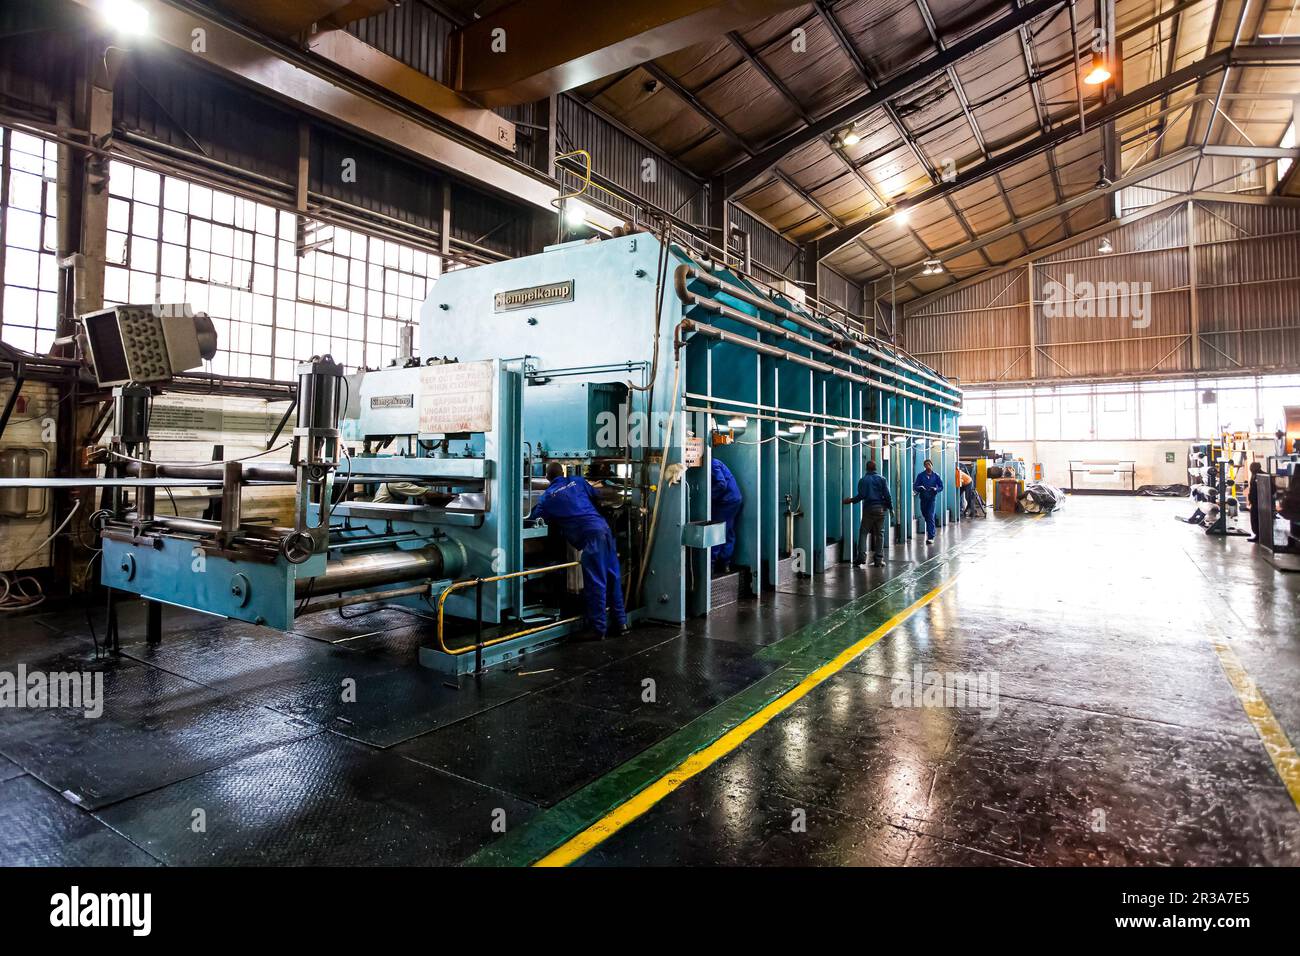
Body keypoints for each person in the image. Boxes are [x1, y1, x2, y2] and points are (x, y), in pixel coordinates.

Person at [528, 462, 627, 639]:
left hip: (590, 538)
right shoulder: (578, 481)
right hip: (603, 529)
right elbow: (596, 495)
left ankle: (599, 630)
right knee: (613, 577)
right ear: (563, 472)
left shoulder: (547, 497)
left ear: (547, 477)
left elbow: (533, 518)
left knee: (596, 583)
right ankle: (621, 623)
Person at [843, 459, 893, 568]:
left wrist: (850, 500)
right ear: (875, 468)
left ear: (866, 468)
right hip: (880, 510)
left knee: (863, 532)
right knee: (880, 534)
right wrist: (891, 508)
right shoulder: (882, 479)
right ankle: (878, 560)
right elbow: (888, 495)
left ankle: (861, 557)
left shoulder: (863, 480)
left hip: (869, 509)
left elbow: (861, 496)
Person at [711, 458, 744, 574]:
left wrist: (708, 495)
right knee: (728, 530)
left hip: (727, 501)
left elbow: (721, 484)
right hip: (734, 499)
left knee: (717, 531)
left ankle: (712, 564)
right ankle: (725, 563)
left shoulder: (712, 463)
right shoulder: (715, 462)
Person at [914, 458, 944, 544]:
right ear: (924, 466)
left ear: (932, 465)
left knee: (930, 516)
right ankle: (931, 526)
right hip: (923, 499)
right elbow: (915, 486)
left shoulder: (936, 476)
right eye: (926, 464)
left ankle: (931, 536)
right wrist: (920, 488)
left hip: (932, 499)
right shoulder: (920, 476)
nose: (928, 466)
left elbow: (941, 487)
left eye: (929, 464)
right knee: (926, 515)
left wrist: (936, 489)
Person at [1246, 461, 1264, 543]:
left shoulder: (1263, 476)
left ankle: (1259, 536)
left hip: (1260, 502)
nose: (1250, 469)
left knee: (1258, 519)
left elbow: (1271, 488)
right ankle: (1257, 535)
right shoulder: (1254, 475)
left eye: (1252, 468)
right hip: (1254, 501)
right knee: (1254, 519)